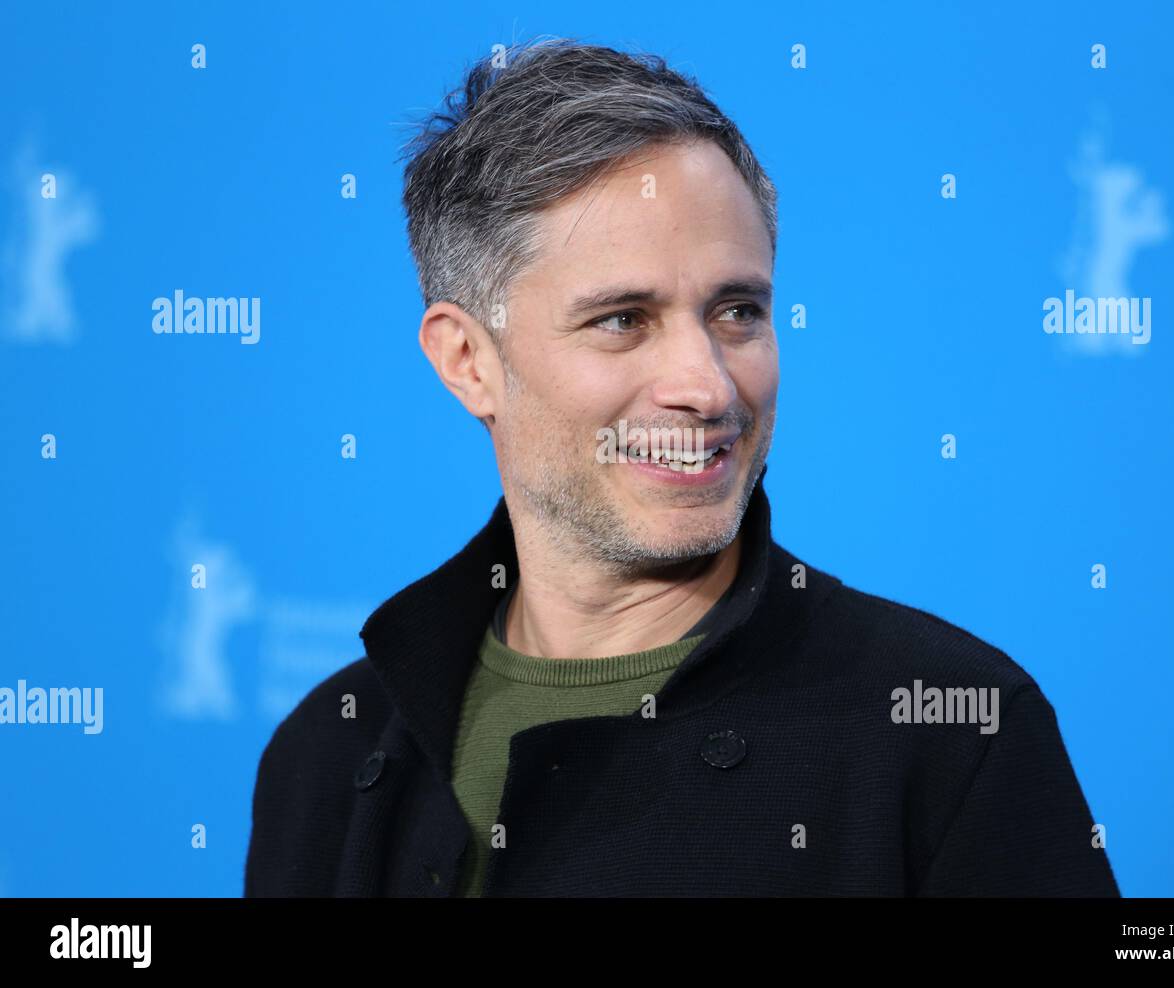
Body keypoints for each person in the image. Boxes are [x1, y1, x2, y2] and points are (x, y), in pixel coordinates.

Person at [244, 38, 1120, 897]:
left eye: (737, 310)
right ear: (469, 361)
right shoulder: (326, 750)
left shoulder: (954, 727)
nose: (706, 385)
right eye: (623, 319)